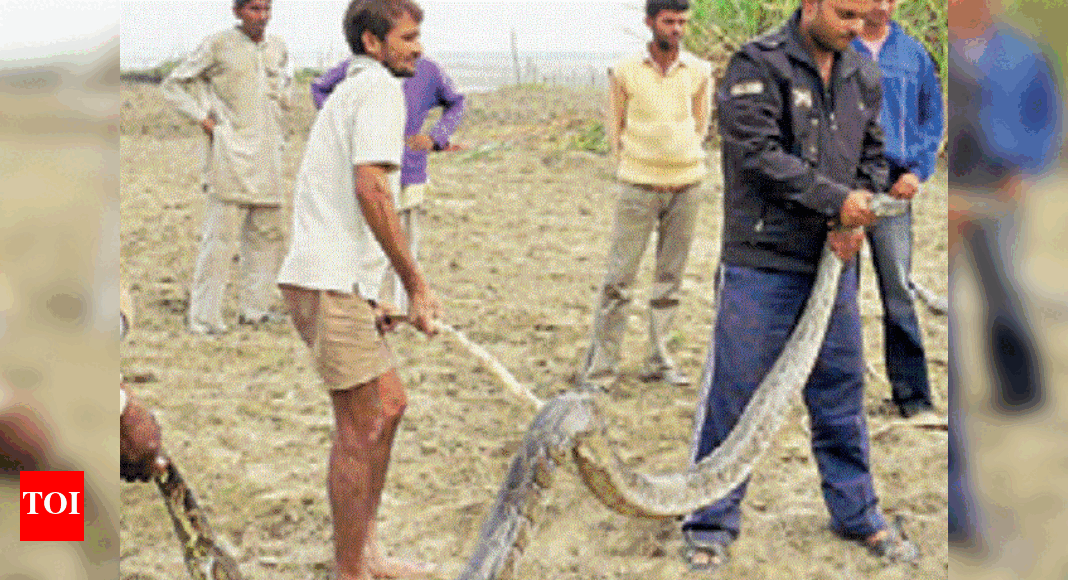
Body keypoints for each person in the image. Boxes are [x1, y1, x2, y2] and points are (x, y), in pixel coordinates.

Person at [680, 0, 917, 570]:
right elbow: (757, 157)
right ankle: (710, 521)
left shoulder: (862, 72)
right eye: (844, 13)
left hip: (833, 264)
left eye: (863, 17)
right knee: (736, 395)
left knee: (839, 393)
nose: (856, 27)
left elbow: (871, 154)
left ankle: (856, 513)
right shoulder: (755, 64)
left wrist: (855, 215)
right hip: (762, 261)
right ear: (809, 3)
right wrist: (838, 203)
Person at [275, 1, 442, 579]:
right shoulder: (377, 92)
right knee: (361, 424)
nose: (418, 48)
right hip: (325, 280)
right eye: (408, 37)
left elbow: (347, 199)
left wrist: (374, 293)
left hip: (338, 280)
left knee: (389, 408)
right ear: (372, 42)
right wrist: (417, 285)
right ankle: (350, 571)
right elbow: (370, 189)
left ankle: (368, 554)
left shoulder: (357, 89)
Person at [946, 0, 1062, 551]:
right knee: (949, 309)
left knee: (1001, 293)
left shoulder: (1020, 51)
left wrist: (1026, 168)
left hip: (999, 187)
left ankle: (1021, 387)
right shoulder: (938, 50)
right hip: (949, 194)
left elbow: (1047, 114)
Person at [578, 0, 711, 389]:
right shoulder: (624, 71)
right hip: (637, 186)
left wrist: (683, 161)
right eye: (669, 21)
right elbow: (614, 127)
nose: (677, 29)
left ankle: (660, 359)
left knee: (670, 281)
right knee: (619, 281)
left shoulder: (699, 71)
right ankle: (602, 369)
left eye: (683, 22)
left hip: (687, 186)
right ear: (650, 22)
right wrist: (632, 169)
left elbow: (700, 124)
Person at [162, 0, 291, 335]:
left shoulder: (277, 48)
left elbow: (282, 92)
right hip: (230, 155)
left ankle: (256, 310)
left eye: (266, 9)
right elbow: (175, 84)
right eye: (253, 9)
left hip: (269, 156)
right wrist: (203, 119)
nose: (262, 16)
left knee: (267, 236)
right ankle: (204, 319)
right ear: (237, 11)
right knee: (219, 240)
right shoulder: (218, 44)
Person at [311, 55, 465, 313]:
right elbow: (319, 87)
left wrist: (436, 138)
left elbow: (456, 102)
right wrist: (342, 130)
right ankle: (366, 302)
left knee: (406, 240)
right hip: (367, 168)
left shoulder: (427, 70)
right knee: (367, 237)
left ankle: (404, 306)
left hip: (410, 168)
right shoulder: (358, 70)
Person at [851, 0, 943, 419]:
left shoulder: (913, 53)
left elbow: (932, 118)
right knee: (839, 293)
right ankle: (840, 393)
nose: (883, 6)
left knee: (898, 291)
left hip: (895, 185)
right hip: (845, 185)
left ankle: (913, 396)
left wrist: (918, 173)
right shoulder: (841, 46)